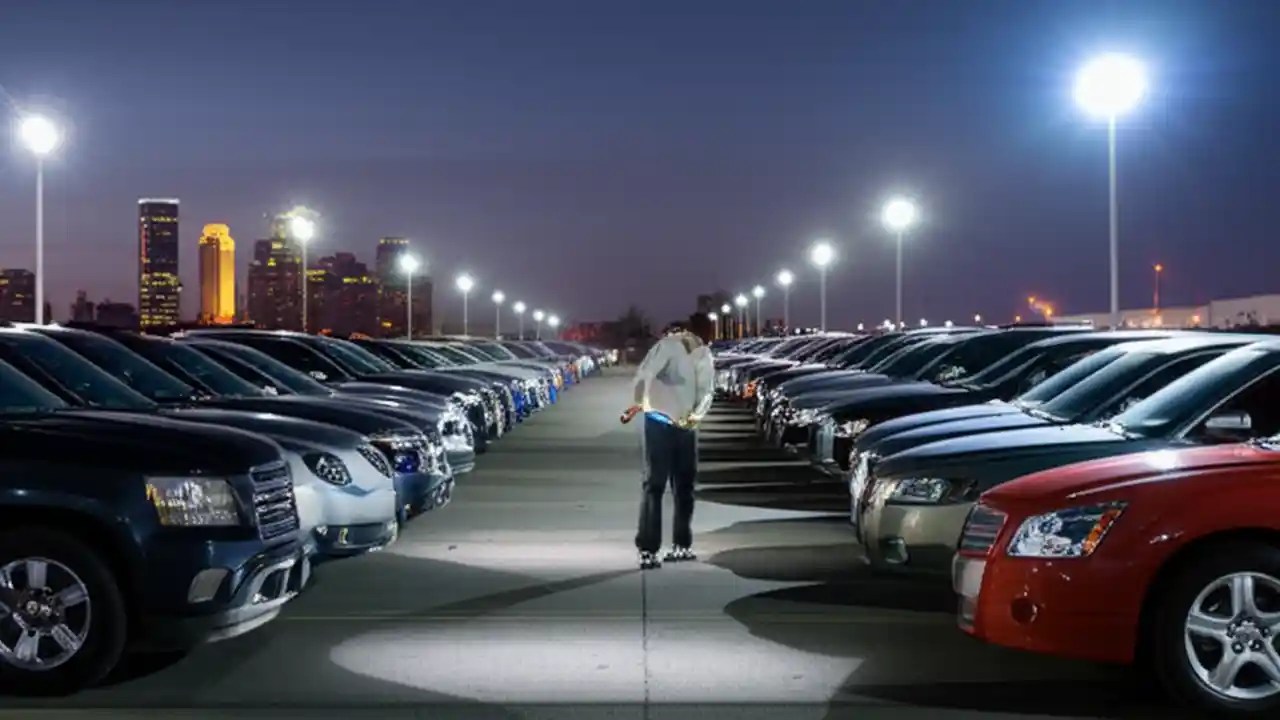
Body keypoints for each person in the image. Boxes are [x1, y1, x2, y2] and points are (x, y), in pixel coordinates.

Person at [622, 320, 715, 570]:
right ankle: (682, 545)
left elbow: (644, 376)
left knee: (654, 485)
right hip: (686, 424)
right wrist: (694, 416)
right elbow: (707, 390)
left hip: (659, 421)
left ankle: (648, 549)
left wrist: (639, 402)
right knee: (683, 486)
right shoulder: (702, 351)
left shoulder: (665, 346)